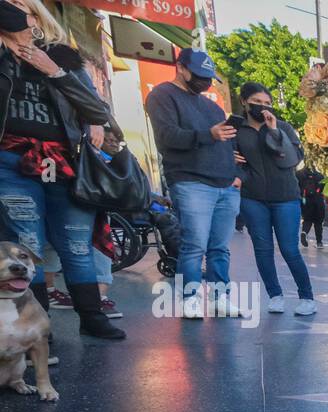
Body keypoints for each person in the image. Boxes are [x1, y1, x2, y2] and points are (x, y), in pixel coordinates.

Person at [0, 0, 121, 340]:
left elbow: (96, 109)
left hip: (65, 162)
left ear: (37, 15)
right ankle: (38, 329)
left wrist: (52, 69)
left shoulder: (63, 55)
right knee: (26, 244)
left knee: (77, 244)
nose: (12, 9)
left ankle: (93, 317)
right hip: (11, 161)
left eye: (20, 4)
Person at [145, 47, 242, 320]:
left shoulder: (212, 105)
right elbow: (166, 137)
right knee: (194, 244)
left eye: (209, 77)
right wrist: (208, 135)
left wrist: (237, 176)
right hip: (190, 181)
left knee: (219, 247)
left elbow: (227, 142)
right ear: (181, 68)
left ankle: (220, 298)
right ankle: (190, 298)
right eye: (199, 75)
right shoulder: (162, 95)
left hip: (225, 183)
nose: (205, 82)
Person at [231, 83, 314, 317]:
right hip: (253, 198)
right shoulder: (237, 131)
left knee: (290, 249)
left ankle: (307, 296)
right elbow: (229, 161)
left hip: (286, 198)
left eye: (267, 103)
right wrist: (232, 161)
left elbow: (293, 159)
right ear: (245, 102)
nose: (263, 107)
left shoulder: (284, 128)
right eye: (258, 101)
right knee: (263, 249)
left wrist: (275, 132)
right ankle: (275, 295)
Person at [298, 166, 326, 247]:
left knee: (307, 220)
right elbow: (324, 188)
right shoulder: (320, 176)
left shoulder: (299, 174)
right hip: (318, 200)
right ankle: (319, 242)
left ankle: (304, 232)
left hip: (306, 200)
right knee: (318, 222)